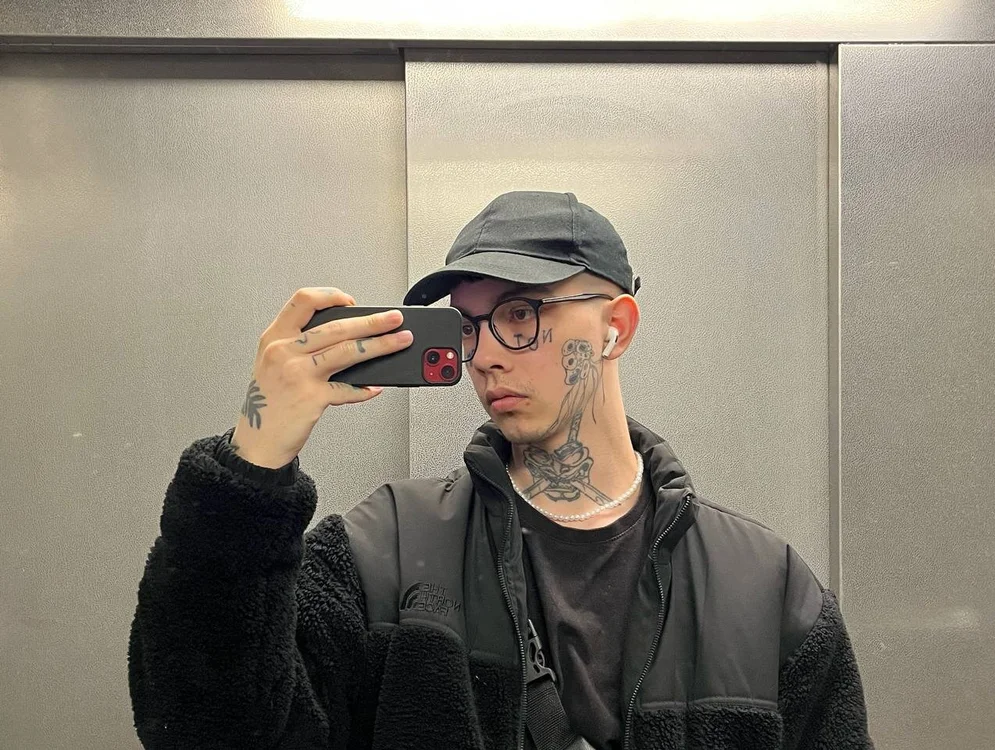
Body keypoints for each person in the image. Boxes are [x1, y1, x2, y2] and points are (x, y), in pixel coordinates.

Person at [128, 190, 873, 750]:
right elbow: (203, 726)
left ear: (615, 328)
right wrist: (253, 464)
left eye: (521, 315)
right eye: (467, 325)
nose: (484, 356)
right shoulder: (384, 551)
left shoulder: (767, 589)